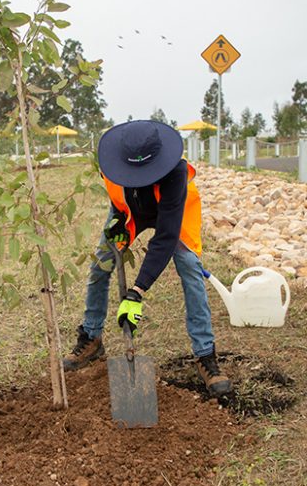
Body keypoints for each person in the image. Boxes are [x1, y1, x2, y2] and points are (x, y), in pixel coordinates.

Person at [63, 120, 232, 398]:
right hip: (133, 211)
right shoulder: (112, 167)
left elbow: (165, 237)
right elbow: (118, 202)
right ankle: (91, 338)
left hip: (173, 211)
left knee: (190, 268)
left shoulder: (176, 173)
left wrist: (136, 292)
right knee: (100, 265)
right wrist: (118, 221)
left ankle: (205, 356)